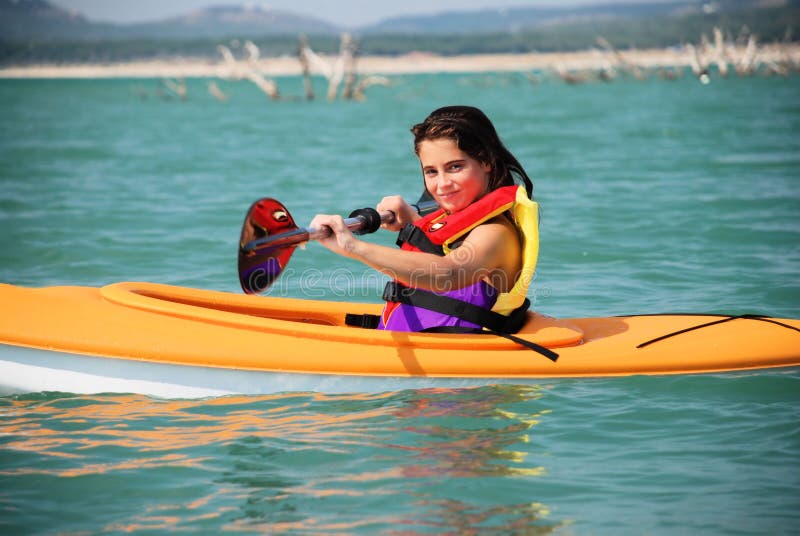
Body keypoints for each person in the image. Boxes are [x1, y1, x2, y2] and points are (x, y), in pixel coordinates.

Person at [309, 105, 539, 333]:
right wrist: (415, 224)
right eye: (431, 171)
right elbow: (446, 257)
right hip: (415, 344)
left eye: (455, 167)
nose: (442, 184)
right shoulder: (464, 224)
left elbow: (448, 273)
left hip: (448, 352)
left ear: (486, 161)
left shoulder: (494, 232)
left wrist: (353, 246)